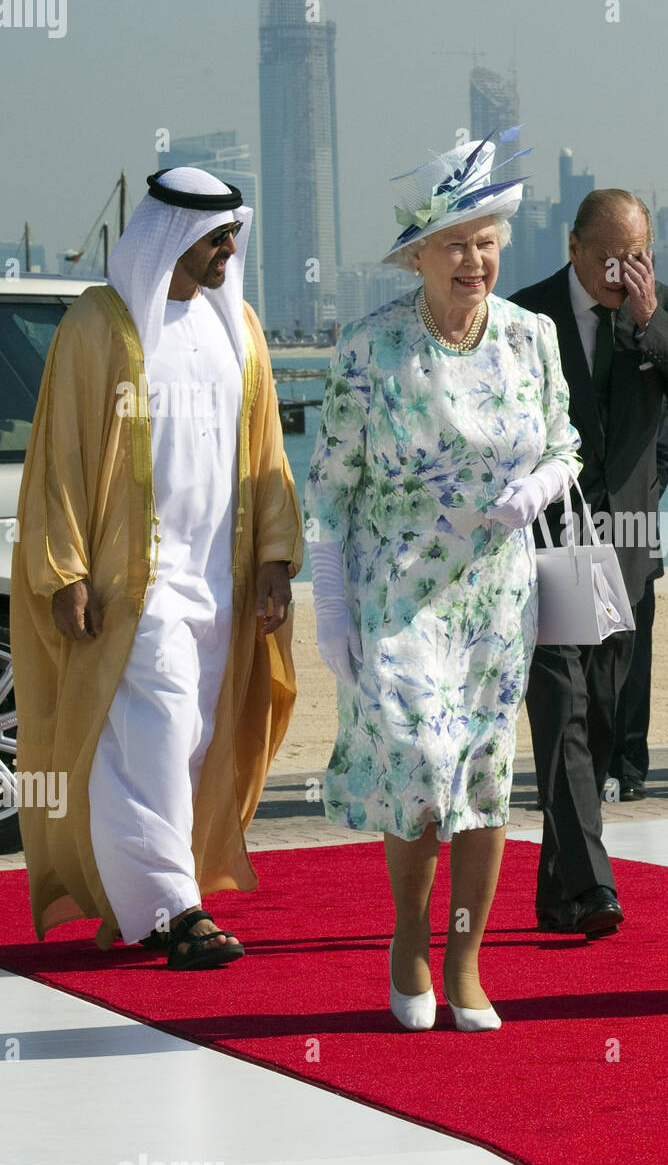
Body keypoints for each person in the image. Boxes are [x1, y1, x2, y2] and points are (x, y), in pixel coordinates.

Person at [304, 131, 580, 1030]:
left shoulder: (532, 336)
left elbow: (566, 446)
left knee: (484, 779)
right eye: (456, 242)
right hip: (397, 591)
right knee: (423, 766)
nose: (476, 259)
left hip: (495, 593)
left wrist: (534, 488)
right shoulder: (367, 348)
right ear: (418, 253)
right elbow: (331, 488)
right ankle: (408, 940)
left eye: (489, 238)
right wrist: (333, 605)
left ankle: (465, 964)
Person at [13, 167, 302, 967]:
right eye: (216, 237)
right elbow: (59, 457)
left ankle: (145, 897)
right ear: (172, 236)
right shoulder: (99, 327)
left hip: (221, 576)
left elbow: (265, 454)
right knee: (159, 725)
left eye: (232, 234)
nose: (228, 249)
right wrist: (64, 570)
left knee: (194, 737)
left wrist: (275, 558)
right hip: (132, 580)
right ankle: (174, 909)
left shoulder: (237, 327)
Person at [510, 190, 668, 936]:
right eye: (607, 257)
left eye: (635, 257)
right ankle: (596, 886)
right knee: (562, 703)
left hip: (626, 542)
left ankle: (559, 888)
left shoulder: (654, 305)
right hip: (552, 538)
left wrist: (648, 321)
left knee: (602, 715)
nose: (620, 271)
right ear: (572, 247)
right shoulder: (524, 315)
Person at [609, 404, 668, 801]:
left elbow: (663, 456)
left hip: (636, 539)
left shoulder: (644, 383)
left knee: (634, 664)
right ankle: (585, 769)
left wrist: (635, 503)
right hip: (576, 535)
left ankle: (630, 769)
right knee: (578, 665)